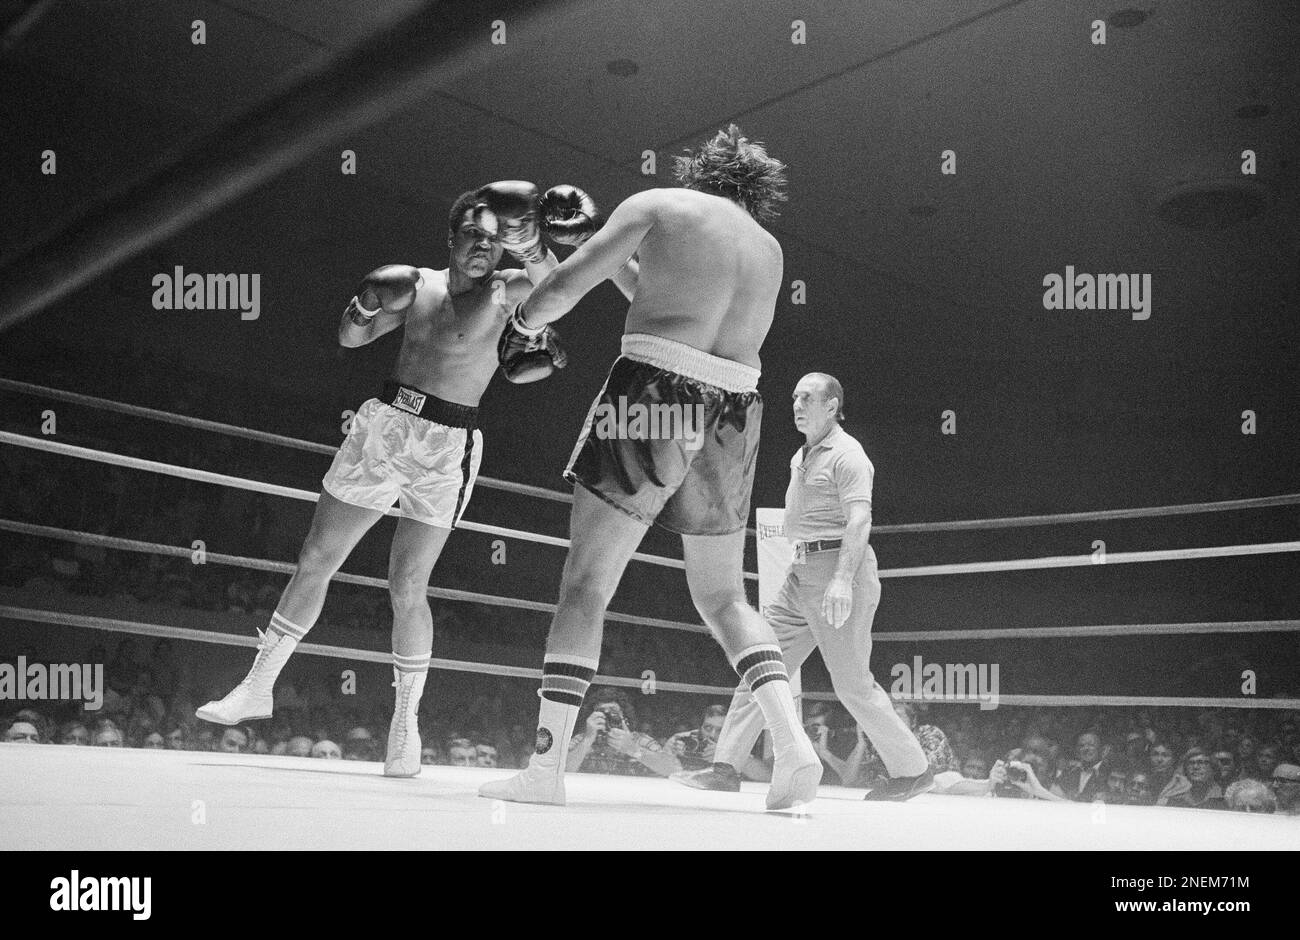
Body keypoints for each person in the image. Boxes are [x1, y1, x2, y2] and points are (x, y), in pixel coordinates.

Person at [196, 181, 597, 778]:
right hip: (384, 426)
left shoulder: (511, 288)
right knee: (316, 557)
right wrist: (361, 307)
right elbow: (349, 338)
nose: (483, 249)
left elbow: (561, 287)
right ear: (452, 237)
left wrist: (533, 241)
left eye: (495, 240)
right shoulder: (415, 285)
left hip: (447, 445)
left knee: (408, 583)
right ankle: (258, 686)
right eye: (473, 236)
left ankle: (404, 722)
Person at [478, 125, 822, 811]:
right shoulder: (768, 248)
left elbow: (563, 291)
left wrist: (520, 321)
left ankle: (545, 770)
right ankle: (791, 746)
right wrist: (598, 251)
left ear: (695, 172)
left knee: (587, 582)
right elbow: (660, 290)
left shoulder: (659, 203)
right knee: (725, 598)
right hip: (737, 406)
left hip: (656, 389)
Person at [674, 372, 933, 802]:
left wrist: (842, 580)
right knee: (761, 665)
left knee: (852, 685)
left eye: (807, 398)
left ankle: (913, 770)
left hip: (836, 572)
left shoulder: (848, 455)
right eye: (794, 397)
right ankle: (725, 767)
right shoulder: (804, 454)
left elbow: (859, 519)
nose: (796, 404)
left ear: (832, 405)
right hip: (801, 575)